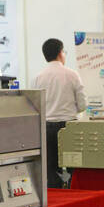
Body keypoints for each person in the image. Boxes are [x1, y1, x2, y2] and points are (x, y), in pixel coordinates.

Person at [32, 37, 87, 189]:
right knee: (73, 166)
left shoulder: (37, 78)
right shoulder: (72, 75)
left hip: (46, 128)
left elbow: (35, 107)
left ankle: (55, 199)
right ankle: (74, 196)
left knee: (51, 168)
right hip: (69, 128)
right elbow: (83, 105)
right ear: (60, 53)